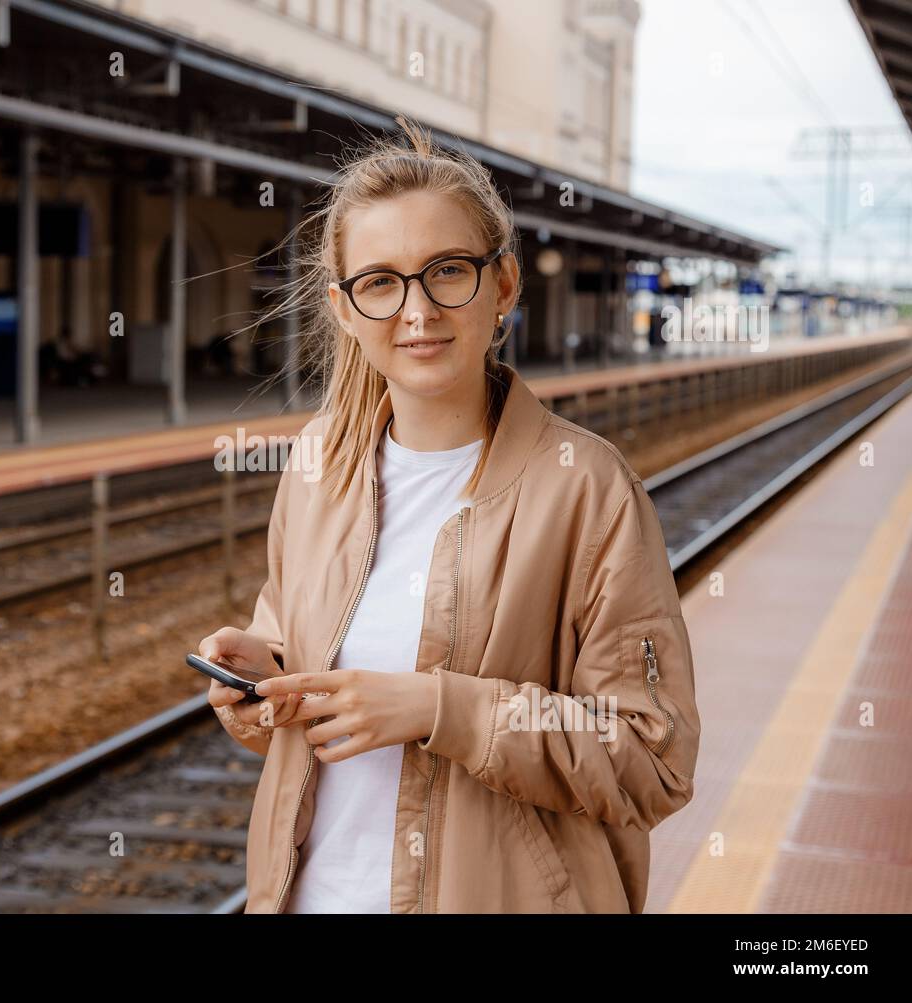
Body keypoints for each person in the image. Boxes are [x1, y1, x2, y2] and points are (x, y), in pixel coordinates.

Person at [199, 116, 700, 914]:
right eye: (381, 281)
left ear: (502, 286)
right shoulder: (317, 464)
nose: (417, 309)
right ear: (344, 308)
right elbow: (300, 659)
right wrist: (261, 678)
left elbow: (652, 758)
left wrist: (442, 708)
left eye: (447, 270)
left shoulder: (587, 488)